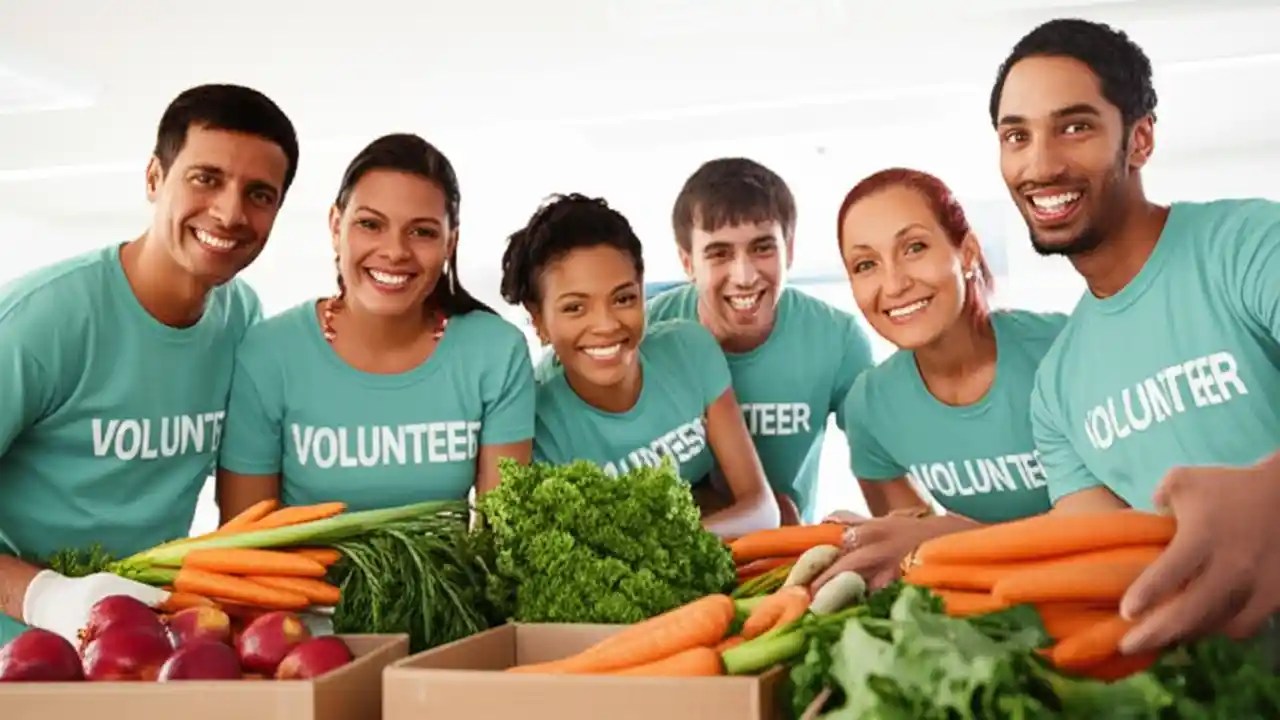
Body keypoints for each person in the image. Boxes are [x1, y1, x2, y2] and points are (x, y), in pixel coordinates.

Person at [991, 18, 1280, 651]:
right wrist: (944, 542)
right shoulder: (1058, 388)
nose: (1040, 163)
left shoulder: (1250, 247)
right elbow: (1109, 572)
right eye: (1017, 135)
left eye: (1075, 126)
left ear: (1140, 138)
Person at [0, 83, 298, 645]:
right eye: (206, 178)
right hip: (16, 659)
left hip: (139, 652)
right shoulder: (42, 322)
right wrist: (46, 596)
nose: (230, 212)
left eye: (259, 194)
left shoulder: (242, 318)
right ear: (154, 179)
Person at [216, 134, 535, 518]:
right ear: (336, 226)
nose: (395, 251)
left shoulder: (495, 353)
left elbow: (501, 537)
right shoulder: (269, 354)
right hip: (297, 579)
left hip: (452, 580)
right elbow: (242, 540)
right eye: (370, 224)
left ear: (451, 242)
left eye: (423, 232)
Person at [812, 168, 1067, 592]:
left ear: (966, 252)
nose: (893, 284)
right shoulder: (870, 406)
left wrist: (949, 536)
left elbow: (1122, 518)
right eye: (866, 265)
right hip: (994, 609)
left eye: (914, 248)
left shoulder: (1062, 349)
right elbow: (917, 558)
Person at [499, 193, 780, 538]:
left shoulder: (689, 349)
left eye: (623, 298)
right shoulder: (537, 427)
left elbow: (763, 509)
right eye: (575, 307)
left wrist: (680, 539)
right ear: (538, 319)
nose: (606, 325)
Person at [647, 158, 876, 524]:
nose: (745, 276)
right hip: (675, 550)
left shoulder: (838, 341)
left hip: (785, 556)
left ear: (790, 247)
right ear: (687, 262)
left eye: (762, 248)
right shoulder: (646, 335)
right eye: (719, 253)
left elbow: (884, 473)